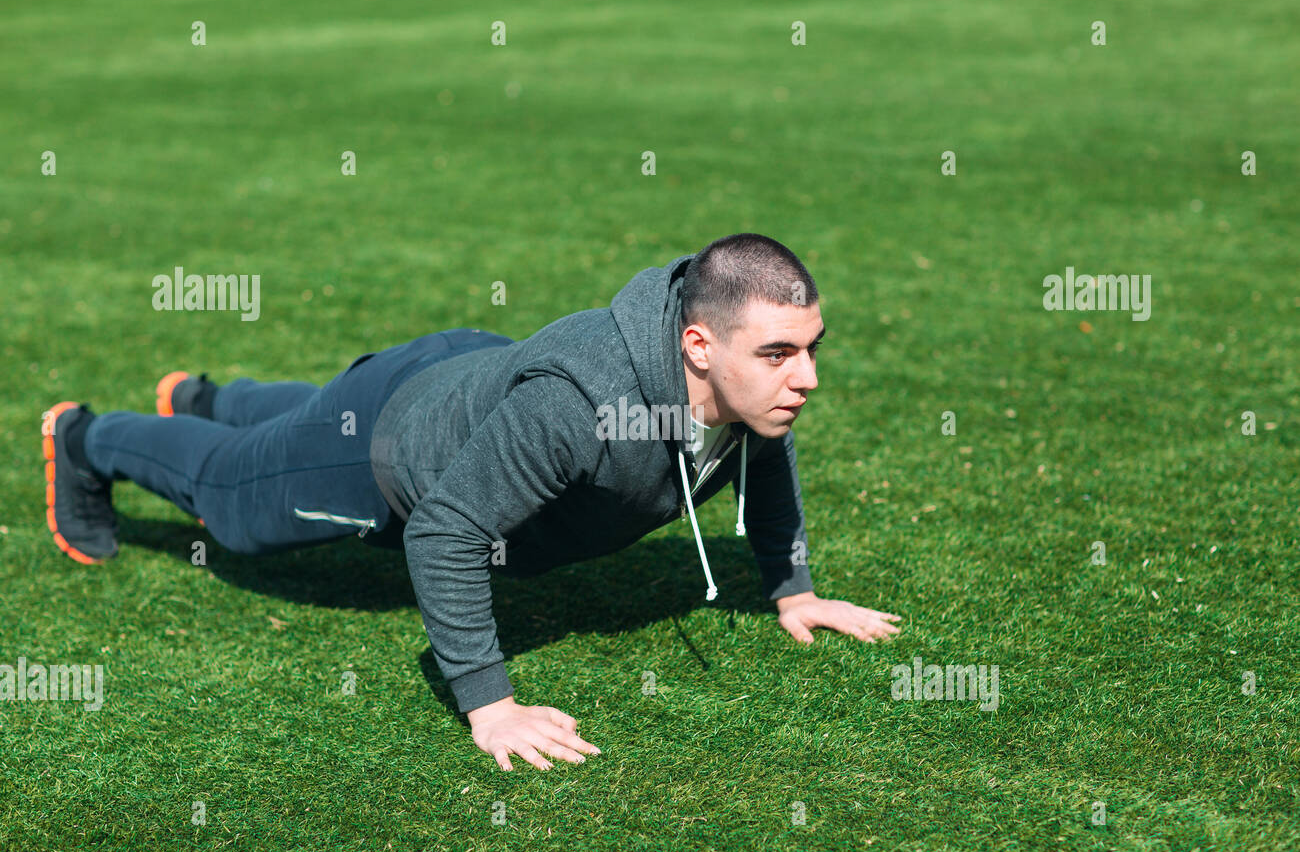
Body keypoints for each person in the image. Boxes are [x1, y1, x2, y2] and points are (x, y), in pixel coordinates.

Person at [41, 232, 903, 771]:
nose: (808, 378)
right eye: (782, 353)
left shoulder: (749, 394)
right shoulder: (579, 407)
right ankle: (85, 437)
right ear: (698, 344)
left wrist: (793, 588)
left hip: (474, 380)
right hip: (383, 445)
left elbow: (769, 461)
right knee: (232, 501)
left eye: (813, 348)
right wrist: (490, 705)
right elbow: (447, 533)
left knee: (296, 423)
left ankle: (206, 399)